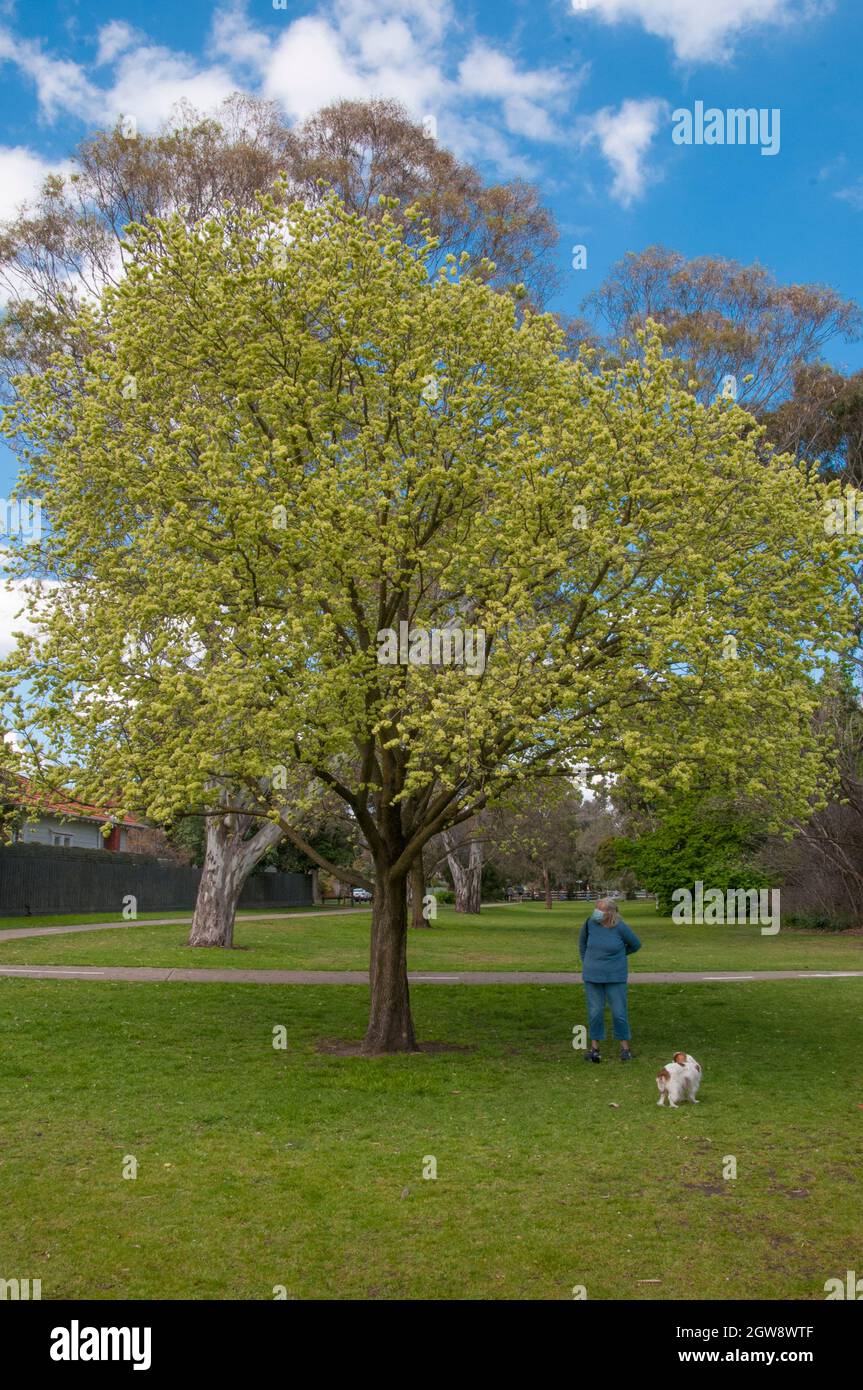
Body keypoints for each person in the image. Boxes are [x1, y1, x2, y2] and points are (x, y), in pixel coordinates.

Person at [578, 898, 641, 1062]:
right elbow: (582, 943)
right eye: (596, 908)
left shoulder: (620, 927)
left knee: (619, 1012)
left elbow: (635, 944)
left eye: (600, 910)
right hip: (592, 976)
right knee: (595, 1012)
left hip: (615, 976)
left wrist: (619, 956)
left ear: (610, 913)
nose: (596, 912)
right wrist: (587, 961)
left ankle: (625, 1049)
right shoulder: (590, 923)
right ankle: (594, 1048)